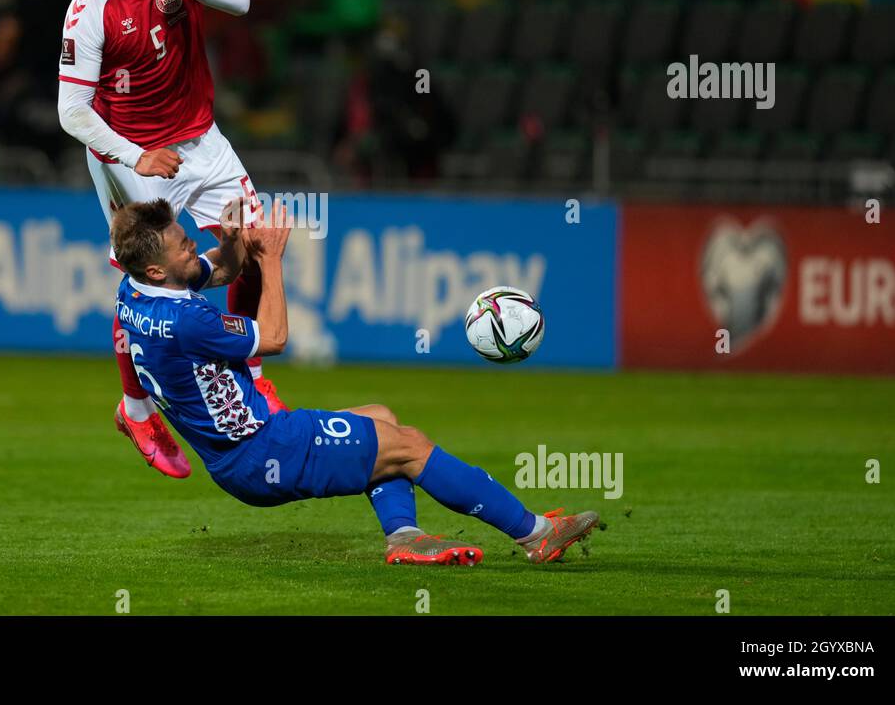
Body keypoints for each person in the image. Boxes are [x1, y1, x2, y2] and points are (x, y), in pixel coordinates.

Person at [108, 197, 600, 566]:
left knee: (381, 418)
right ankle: (536, 535)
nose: (193, 244)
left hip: (240, 452)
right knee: (410, 446)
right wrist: (273, 258)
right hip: (262, 449)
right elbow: (275, 337)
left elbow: (219, 269)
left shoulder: (136, 290)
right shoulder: (188, 322)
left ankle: (404, 539)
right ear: (157, 266)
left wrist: (236, 242)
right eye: (182, 244)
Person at [57, 0, 288, 481]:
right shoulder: (90, 7)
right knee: (155, 286)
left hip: (202, 141)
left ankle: (251, 379)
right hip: (129, 154)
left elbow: (240, 1)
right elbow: (71, 112)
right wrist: (136, 158)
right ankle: (136, 410)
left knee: (255, 245)